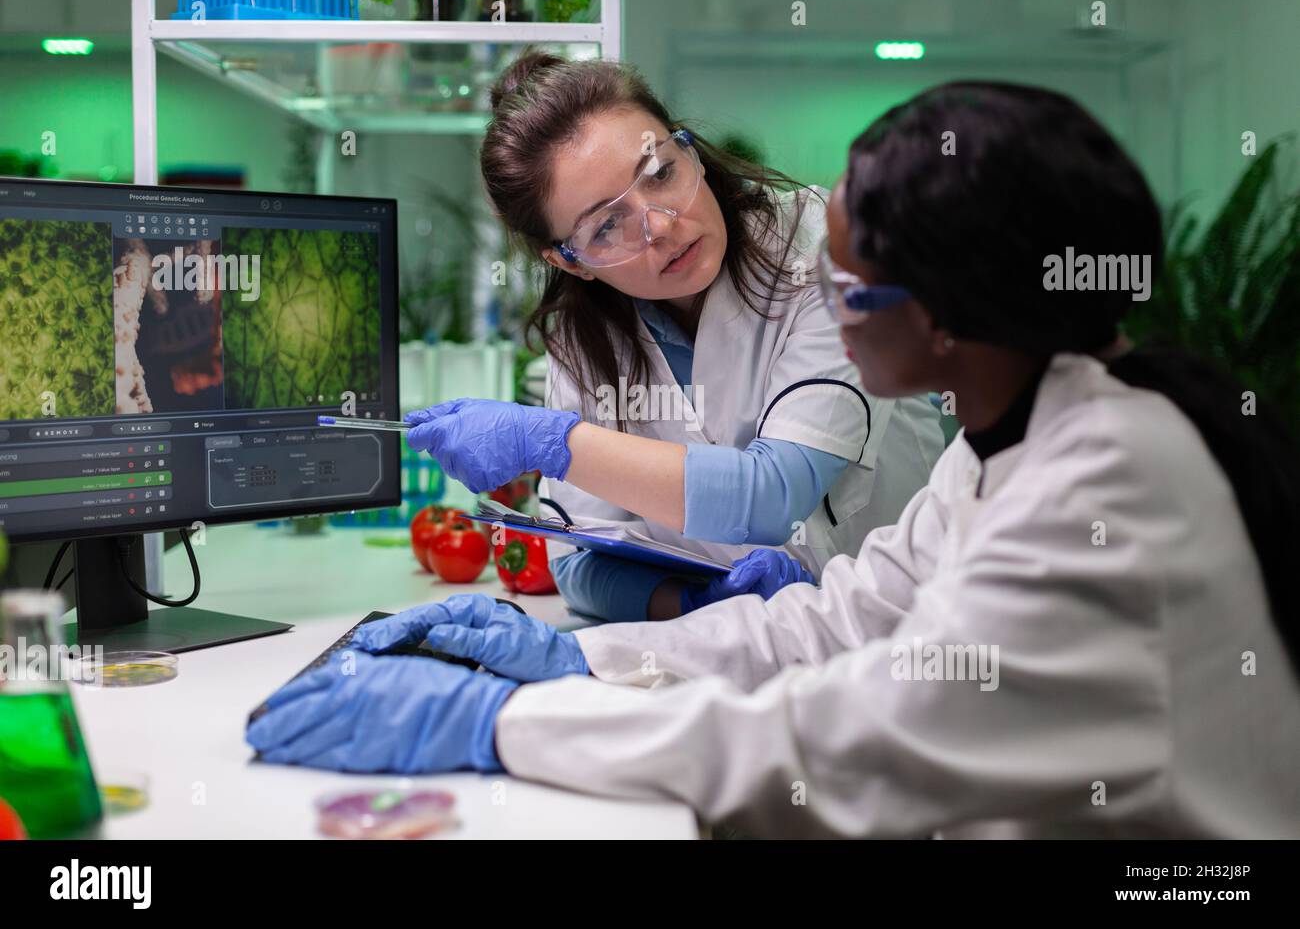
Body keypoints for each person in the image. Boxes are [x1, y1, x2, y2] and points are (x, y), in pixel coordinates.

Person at [247, 82, 1300, 837]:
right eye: (608, 222)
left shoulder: (1105, 482)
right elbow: (843, 617)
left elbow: (846, 737)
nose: (823, 307)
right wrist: (581, 659)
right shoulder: (999, 448)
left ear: (942, 314)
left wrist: (506, 719)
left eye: (846, 285)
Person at [404, 51, 943, 622]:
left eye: (661, 172)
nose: (660, 225)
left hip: (909, 628)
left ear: (690, 149)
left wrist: (553, 444)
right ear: (570, 262)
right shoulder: (585, 341)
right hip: (747, 655)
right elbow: (577, 564)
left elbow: (775, 495)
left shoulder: (824, 253)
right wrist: (695, 601)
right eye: (607, 225)